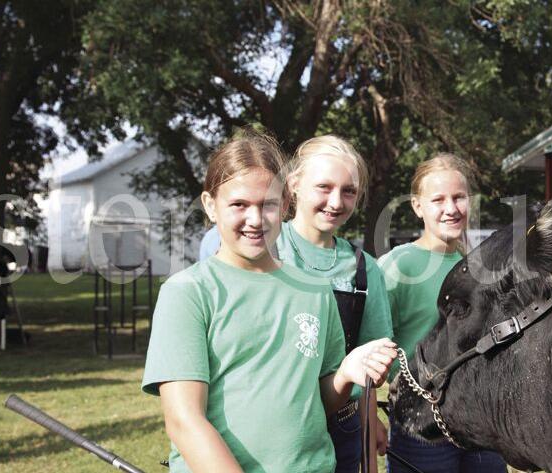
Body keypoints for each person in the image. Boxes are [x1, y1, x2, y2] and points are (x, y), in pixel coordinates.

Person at [142, 129, 396, 473]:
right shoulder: (187, 292)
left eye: (268, 205)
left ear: (285, 205)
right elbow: (185, 421)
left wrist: (344, 376)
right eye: (239, 205)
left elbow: (319, 401)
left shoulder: (316, 290)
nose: (255, 219)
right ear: (210, 206)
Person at [378, 154, 508, 473]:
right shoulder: (399, 266)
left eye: (459, 197)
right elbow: (372, 339)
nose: (451, 208)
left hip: (479, 421)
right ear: (417, 206)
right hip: (424, 424)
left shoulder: (478, 265)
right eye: (438, 200)